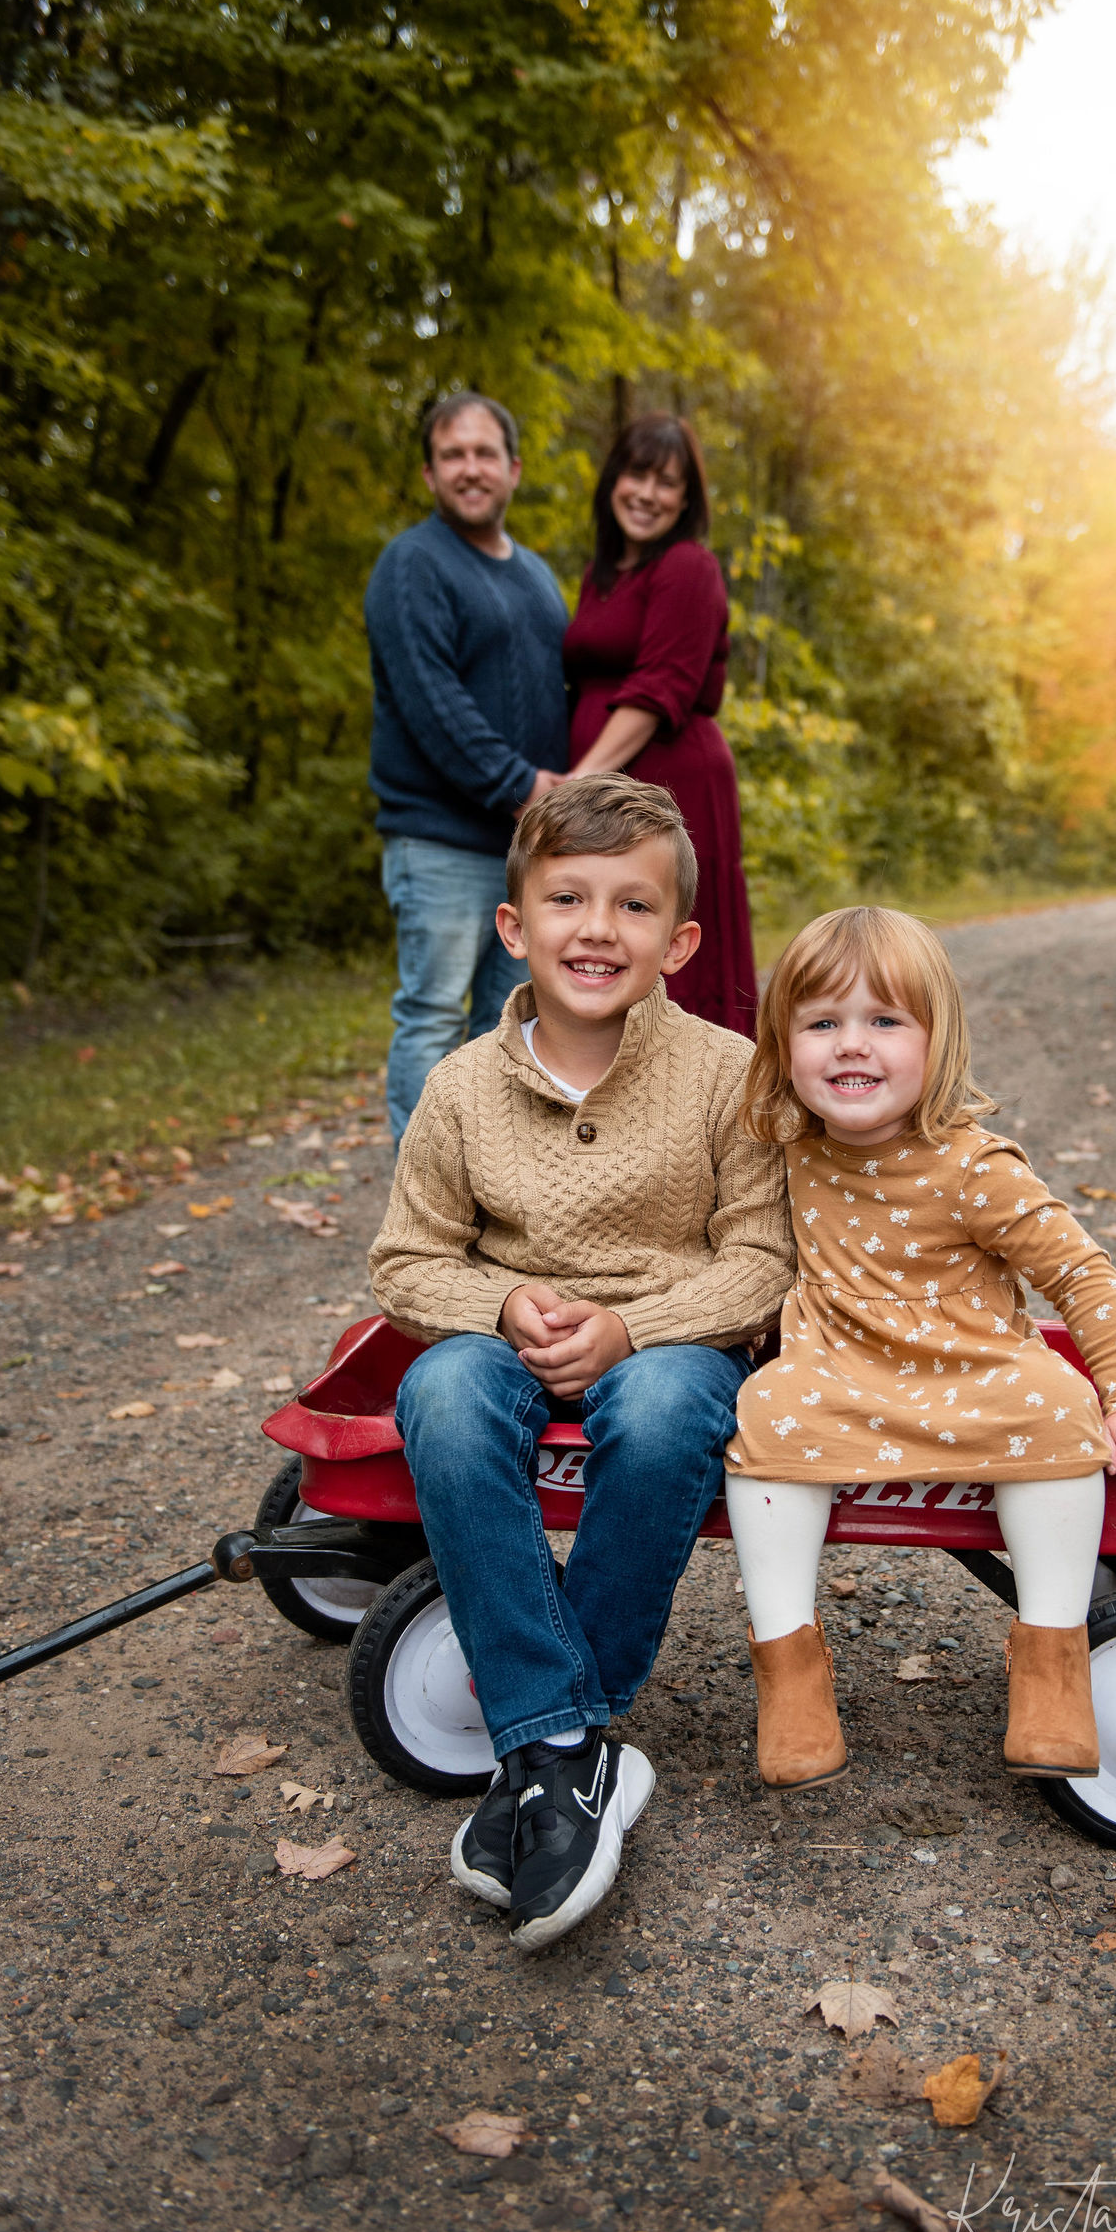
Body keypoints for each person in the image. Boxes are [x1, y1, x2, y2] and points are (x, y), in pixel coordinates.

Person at [367, 776, 794, 1952]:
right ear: (515, 927)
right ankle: (573, 1752)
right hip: (508, 1337)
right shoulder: (460, 1089)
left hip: (667, 1337)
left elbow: (761, 1257)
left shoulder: (724, 1073)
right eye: (566, 898)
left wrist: (635, 1326)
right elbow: (405, 1264)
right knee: (442, 1394)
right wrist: (503, 1303)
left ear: (680, 940)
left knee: (665, 1413)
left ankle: (547, 1744)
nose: (597, 929)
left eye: (633, 906)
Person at [721, 906, 1116, 1793]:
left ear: (936, 1043)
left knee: (1059, 1407)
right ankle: (789, 1667)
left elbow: (1083, 1277)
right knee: (766, 1413)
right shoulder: (782, 1152)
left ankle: (1052, 1658)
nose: (851, 1046)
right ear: (783, 1044)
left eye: (885, 1021)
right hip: (838, 1370)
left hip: (975, 1368)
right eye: (822, 1023)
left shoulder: (974, 1165)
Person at [366, 392, 569, 1143]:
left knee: (511, 1027)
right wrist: (521, 786)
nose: (470, 469)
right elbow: (431, 701)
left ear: (513, 470)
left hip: (528, 848)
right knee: (431, 1016)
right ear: (429, 473)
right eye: (454, 455)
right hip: (441, 842)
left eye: (485, 454)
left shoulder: (538, 576)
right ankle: (421, 1221)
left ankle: (492, 1204)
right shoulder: (412, 564)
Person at [562, 413, 758, 1038]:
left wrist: (572, 788)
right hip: (608, 786)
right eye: (636, 474)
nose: (647, 493)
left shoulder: (688, 567)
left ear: (686, 500)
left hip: (671, 778)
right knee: (608, 939)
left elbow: (658, 690)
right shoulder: (601, 576)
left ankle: (706, 1114)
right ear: (612, 480)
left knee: (671, 944)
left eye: (667, 483)